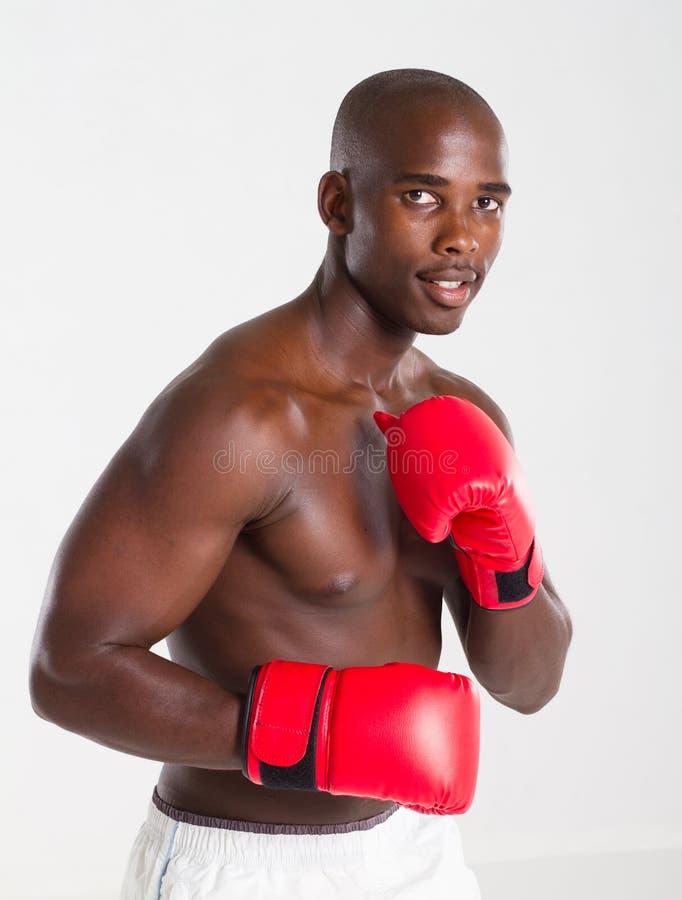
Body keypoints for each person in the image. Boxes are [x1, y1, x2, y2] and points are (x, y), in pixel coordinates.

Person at [29, 68, 572, 899]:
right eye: (423, 198)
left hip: (416, 847)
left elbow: (528, 686)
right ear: (338, 204)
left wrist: (506, 554)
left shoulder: (463, 415)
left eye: (487, 203)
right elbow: (67, 668)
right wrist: (309, 734)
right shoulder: (239, 417)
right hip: (246, 863)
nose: (462, 236)